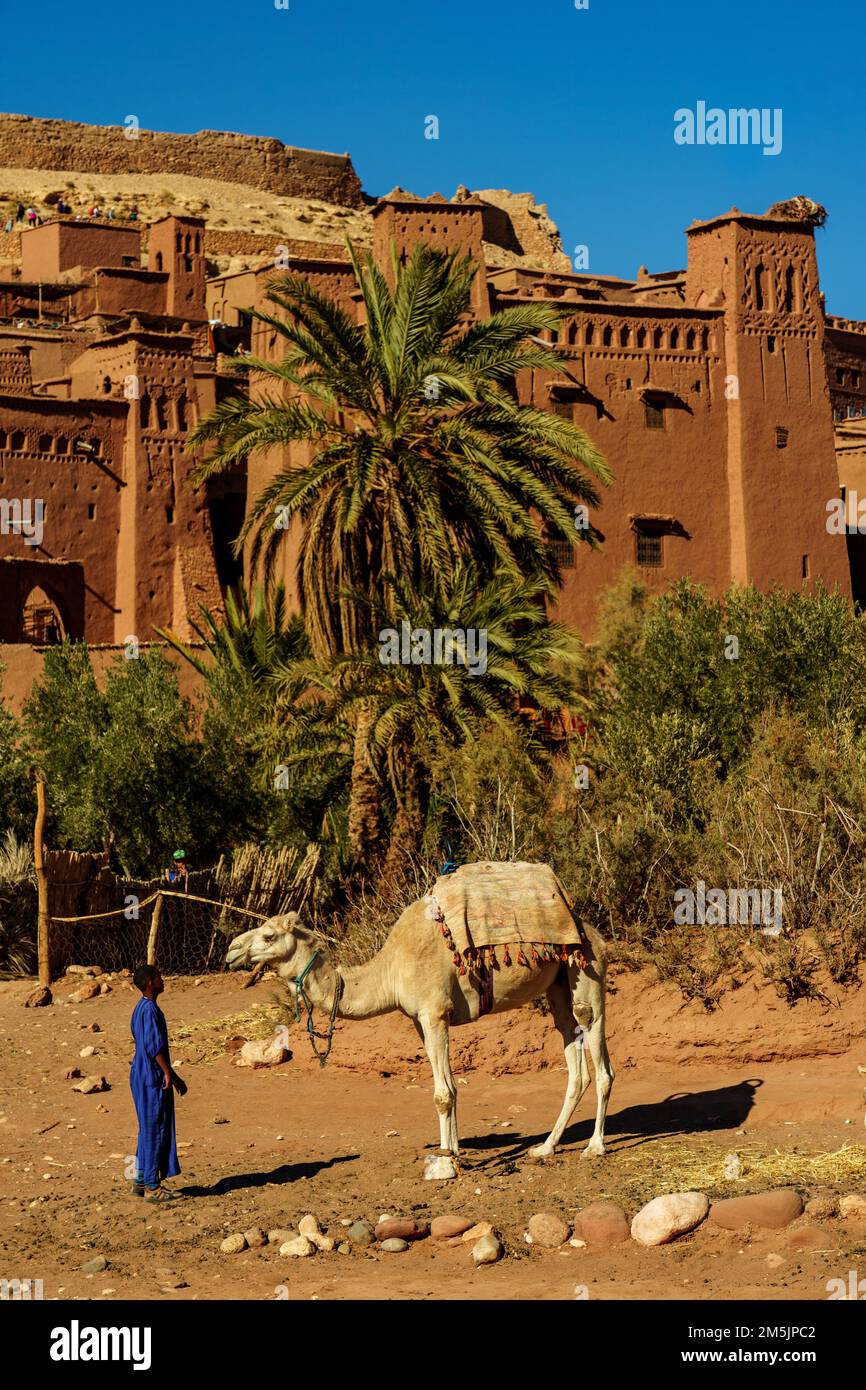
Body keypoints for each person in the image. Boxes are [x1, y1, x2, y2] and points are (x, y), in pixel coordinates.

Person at [129, 963, 186, 1202]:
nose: (164, 981)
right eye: (160, 978)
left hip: (139, 1074)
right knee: (155, 1129)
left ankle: (141, 1180)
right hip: (152, 1076)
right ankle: (153, 1187)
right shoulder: (150, 1010)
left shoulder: (140, 1008)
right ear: (151, 982)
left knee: (147, 1128)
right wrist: (169, 1074)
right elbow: (155, 1047)